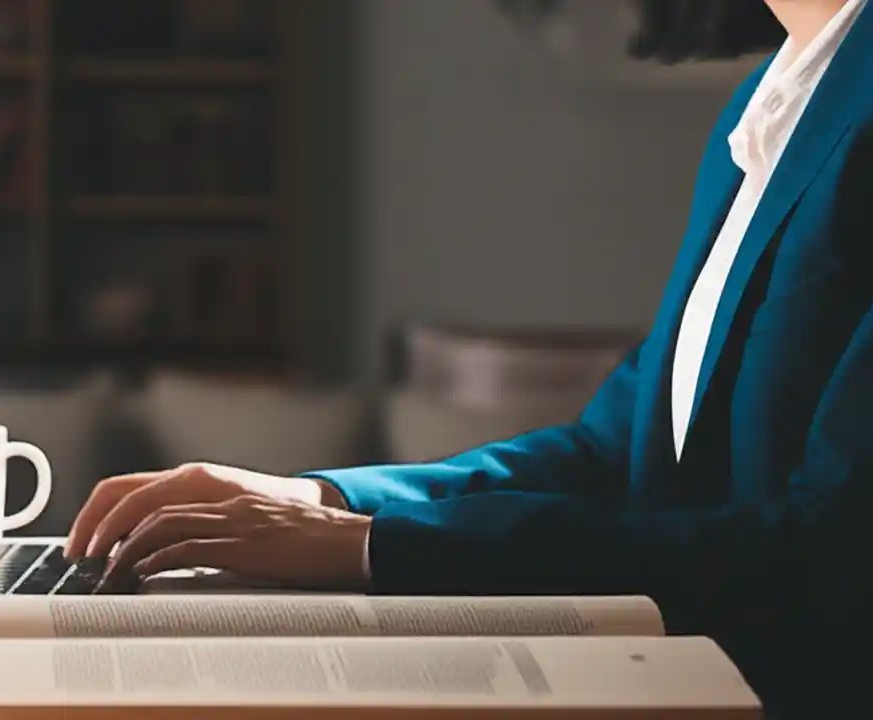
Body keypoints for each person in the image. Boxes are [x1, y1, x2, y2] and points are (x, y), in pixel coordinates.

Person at [65, 0, 873, 714]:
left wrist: (370, 548)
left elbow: (828, 555)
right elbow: (614, 453)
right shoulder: (771, 104)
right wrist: (320, 498)